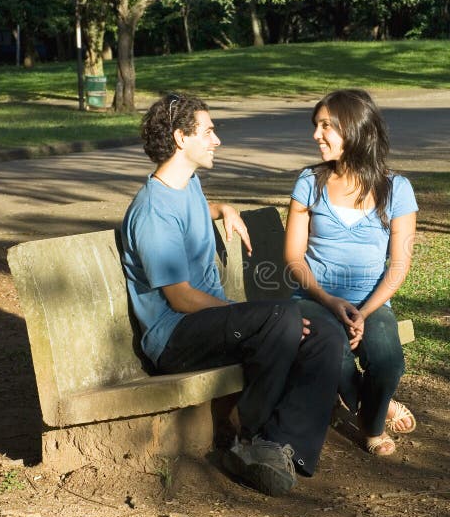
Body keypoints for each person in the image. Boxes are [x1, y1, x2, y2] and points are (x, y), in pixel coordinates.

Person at [120, 93, 343, 496]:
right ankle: (247, 438)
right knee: (282, 318)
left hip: (208, 324)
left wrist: (223, 208)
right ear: (180, 138)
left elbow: (191, 209)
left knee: (323, 333)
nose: (216, 140)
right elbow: (181, 299)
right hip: (175, 336)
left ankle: (279, 442)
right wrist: (248, 314)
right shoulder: (152, 211)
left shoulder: (185, 185)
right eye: (208, 131)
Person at [284, 89, 418, 457]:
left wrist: (366, 312)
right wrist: (330, 300)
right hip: (314, 299)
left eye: (326, 126)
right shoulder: (309, 183)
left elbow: (400, 265)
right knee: (335, 351)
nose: (316, 135)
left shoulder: (397, 189)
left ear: (356, 130)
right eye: (316, 126)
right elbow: (294, 257)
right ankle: (373, 418)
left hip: (371, 302)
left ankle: (370, 419)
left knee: (388, 360)